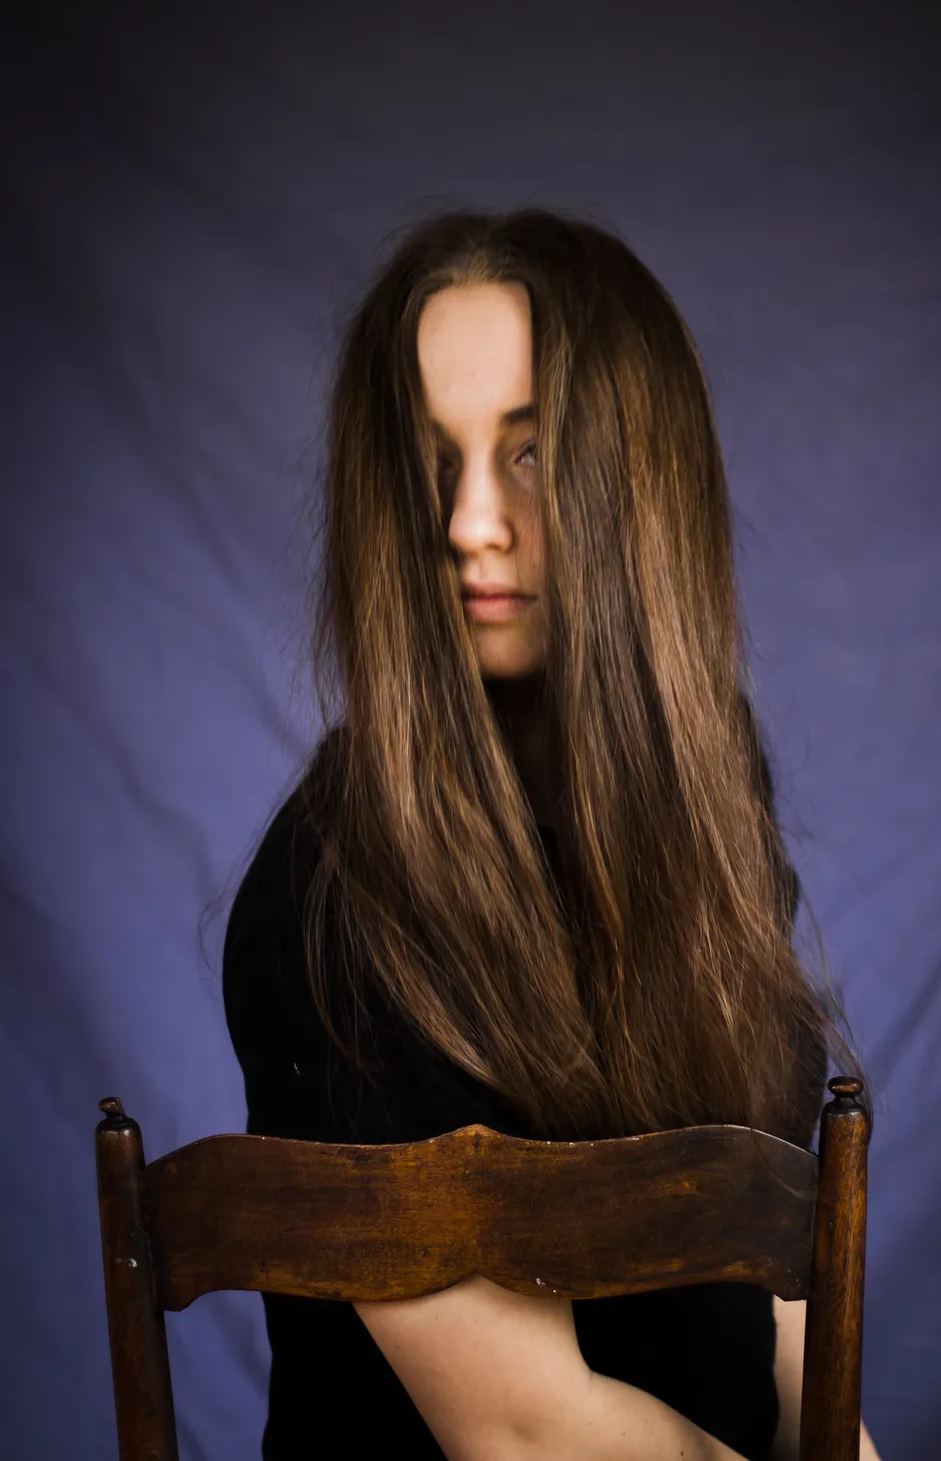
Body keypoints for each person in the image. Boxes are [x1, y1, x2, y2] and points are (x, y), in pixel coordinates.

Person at [223, 208, 882, 1461]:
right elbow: (525, 1434)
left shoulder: (706, 793)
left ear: (636, 484)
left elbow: (777, 1290)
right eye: (432, 461)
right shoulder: (329, 894)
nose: (470, 520)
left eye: (528, 456)